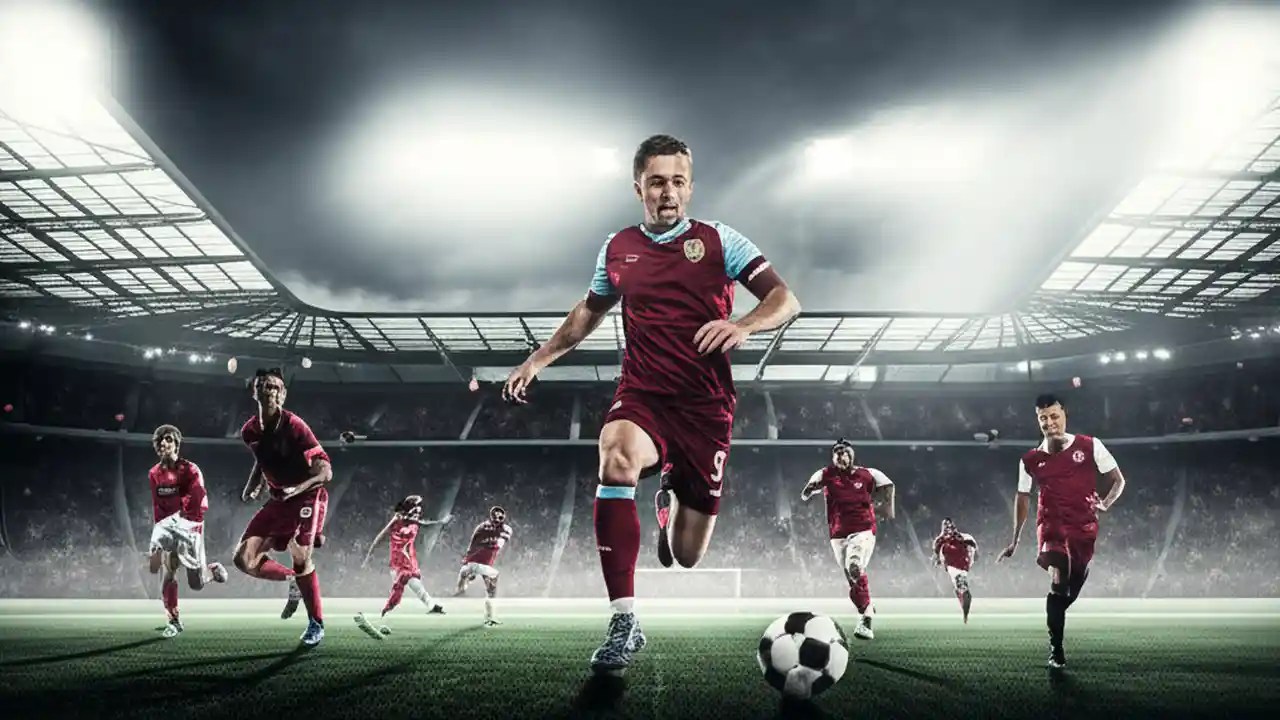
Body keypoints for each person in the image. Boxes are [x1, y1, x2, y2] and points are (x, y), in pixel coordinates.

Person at [503, 134, 800, 675]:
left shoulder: (719, 241)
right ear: (638, 186)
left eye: (678, 181)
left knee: (688, 556)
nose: (669, 193)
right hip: (643, 392)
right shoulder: (617, 249)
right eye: (657, 181)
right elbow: (586, 314)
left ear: (690, 186)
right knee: (615, 456)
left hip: (706, 409)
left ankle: (666, 509)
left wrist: (743, 324)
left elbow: (786, 299)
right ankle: (624, 620)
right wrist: (537, 360)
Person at [998, 393, 1127, 669]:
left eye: (1054, 415)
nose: (1049, 422)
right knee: (1058, 576)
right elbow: (1022, 497)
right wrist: (1015, 540)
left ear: (1064, 415)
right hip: (1051, 527)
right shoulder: (1030, 460)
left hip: (1084, 528)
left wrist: (1105, 502)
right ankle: (1056, 648)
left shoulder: (1090, 446)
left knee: (1069, 590)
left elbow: (1118, 480)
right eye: (1042, 418)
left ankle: (1056, 613)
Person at [232, 368, 333, 647]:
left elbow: (325, 473)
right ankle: (293, 581)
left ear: (284, 394)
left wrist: (296, 489)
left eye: (276, 387)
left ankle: (316, 624)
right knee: (243, 560)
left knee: (300, 555)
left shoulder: (296, 426)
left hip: (307, 497)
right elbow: (263, 457)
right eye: (265, 386)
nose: (271, 391)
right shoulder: (249, 431)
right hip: (278, 500)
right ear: (255, 392)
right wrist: (254, 483)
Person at [800, 438, 895, 640]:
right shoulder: (826, 474)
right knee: (853, 580)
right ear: (833, 456)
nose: (841, 456)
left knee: (854, 567)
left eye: (845, 452)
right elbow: (806, 493)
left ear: (852, 455)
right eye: (837, 452)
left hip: (863, 530)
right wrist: (810, 489)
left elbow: (888, 485)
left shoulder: (868, 474)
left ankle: (866, 620)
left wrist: (887, 508)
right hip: (837, 534)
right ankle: (867, 605)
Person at [147, 424, 228, 638]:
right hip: (170, 527)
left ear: (176, 444)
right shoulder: (154, 473)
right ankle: (173, 620)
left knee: (196, 584)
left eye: (168, 439)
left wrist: (181, 525)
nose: (163, 444)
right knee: (169, 569)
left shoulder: (191, 470)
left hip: (191, 528)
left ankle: (212, 572)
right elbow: (158, 505)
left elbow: (198, 502)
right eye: (159, 441)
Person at [354, 495, 452, 639]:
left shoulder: (414, 521)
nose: (419, 510)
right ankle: (374, 618)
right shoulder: (398, 519)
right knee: (401, 592)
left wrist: (438, 523)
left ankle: (432, 606)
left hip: (409, 560)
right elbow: (381, 537)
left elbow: (422, 523)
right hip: (398, 563)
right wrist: (368, 556)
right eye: (416, 507)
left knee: (417, 586)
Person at [454, 506, 512, 627]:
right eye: (495, 516)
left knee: (490, 589)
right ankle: (463, 586)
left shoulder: (505, 529)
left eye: (500, 516)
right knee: (493, 575)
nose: (497, 519)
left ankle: (463, 586)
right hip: (475, 562)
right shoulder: (483, 527)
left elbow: (500, 543)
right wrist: (468, 557)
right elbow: (474, 543)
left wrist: (497, 542)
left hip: (483, 564)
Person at [932, 517, 977, 623]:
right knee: (961, 585)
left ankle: (964, 608)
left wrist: (974, 553)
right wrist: (937, 559)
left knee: (962, 586)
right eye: (945, 526)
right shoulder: (940, 540)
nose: (948, 528)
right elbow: (936, 550)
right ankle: (962, 600)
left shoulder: (962, 537)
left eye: (949, 526)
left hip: (962, 564)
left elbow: (971, 543)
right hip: (952, 565)